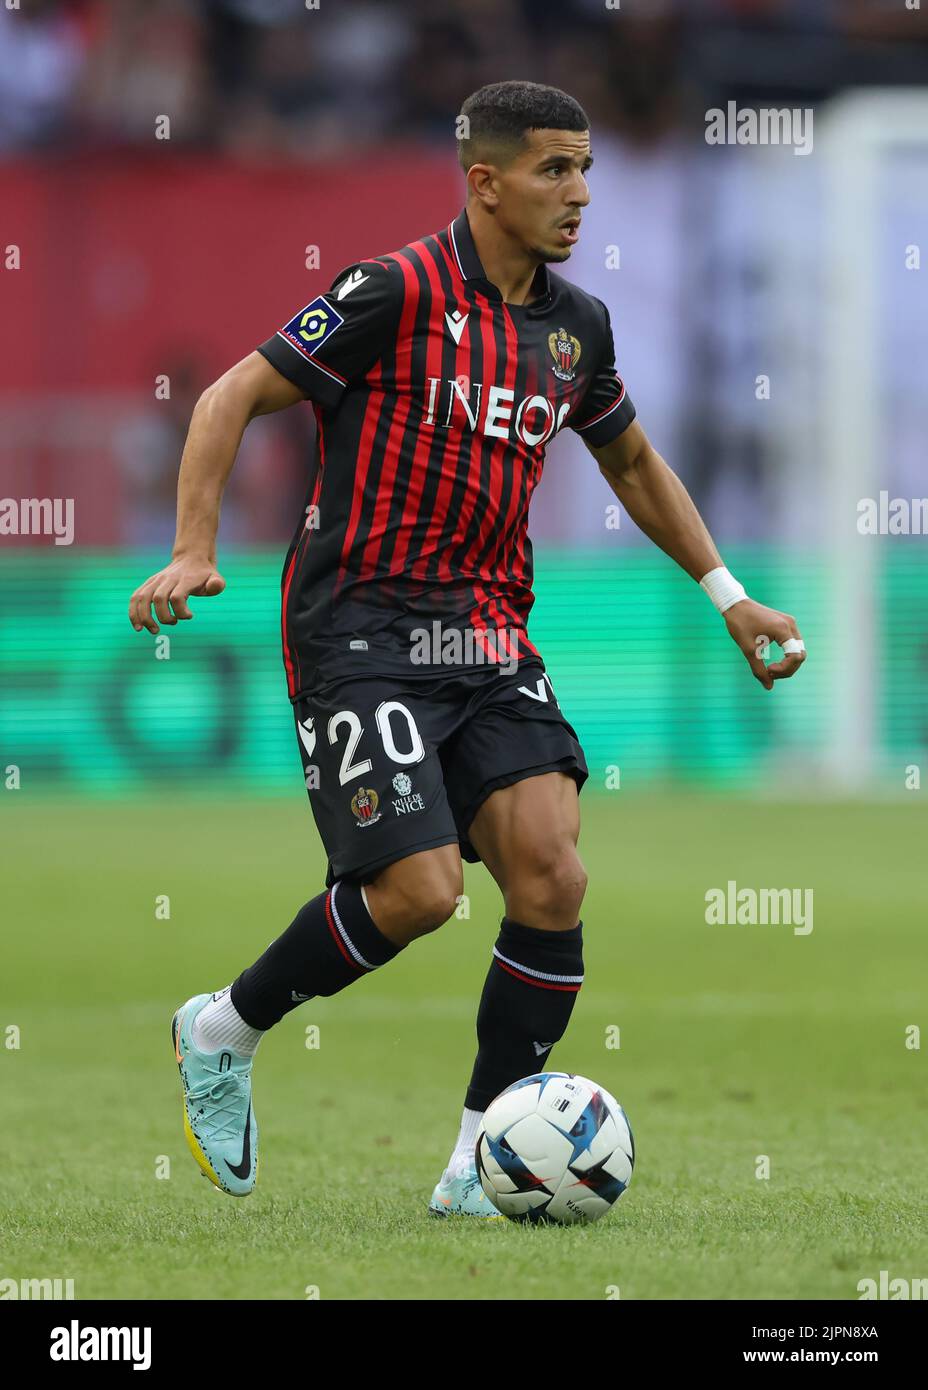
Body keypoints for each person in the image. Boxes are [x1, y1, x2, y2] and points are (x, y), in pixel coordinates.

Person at [129, 80, 806, 1217]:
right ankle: (220, 1029)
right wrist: (195, 546)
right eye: (554, 170)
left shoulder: (574, 326)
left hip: (490, 630)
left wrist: (729, 594)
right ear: (484, 182)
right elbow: (229, 396)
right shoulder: (389, 291)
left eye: (585, 169)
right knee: (419, 892)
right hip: (358, 627)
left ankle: (471, 1168)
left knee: (552, 870)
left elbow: (633, 464)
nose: (579, 193)